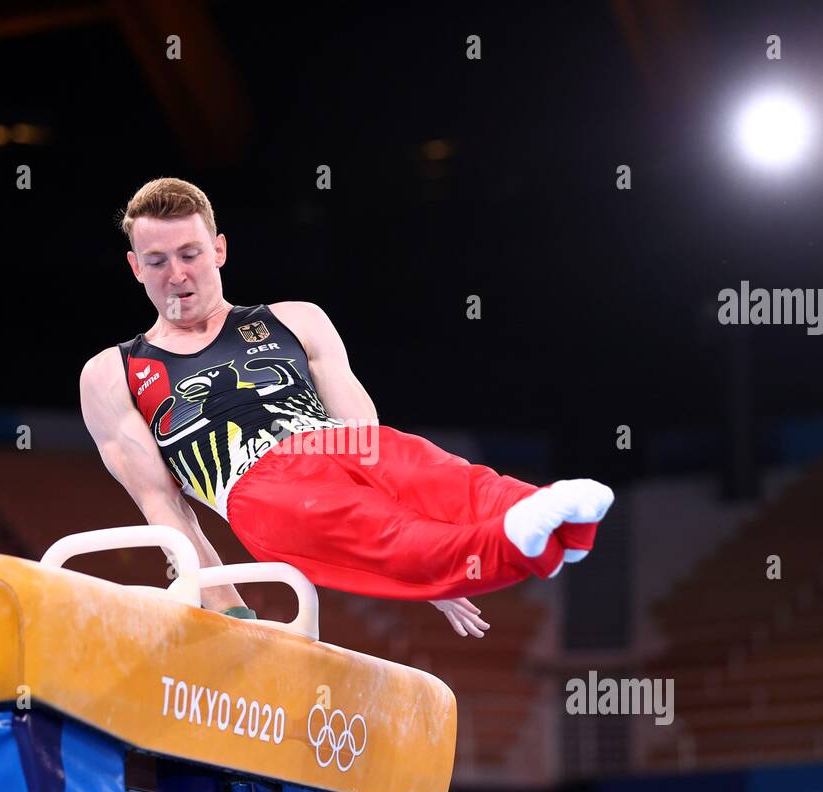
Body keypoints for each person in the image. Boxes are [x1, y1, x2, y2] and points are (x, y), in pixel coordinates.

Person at [80, 178, 613, 638]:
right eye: (157, 261)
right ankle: (511, 543)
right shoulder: (114, 374)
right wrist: (230, 613)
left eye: (190, 254)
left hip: (334, 445)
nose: (176, 275)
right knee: (392, 537)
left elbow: (369, 444)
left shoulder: (298, 319)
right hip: (257, 490)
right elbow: (168, 513)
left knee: (434, 471)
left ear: (219, 249)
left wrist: (422, 580)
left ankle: (548, 516)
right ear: (134, 267)